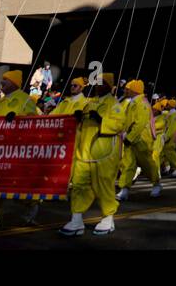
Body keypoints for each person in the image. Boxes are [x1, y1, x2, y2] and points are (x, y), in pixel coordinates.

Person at [61, 74, 127, 235]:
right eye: (97, 83)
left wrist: (101, 120)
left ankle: (108, 217)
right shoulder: (89, 103)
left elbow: (119, 124)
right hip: (84, 151)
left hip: (104, 152)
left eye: (102, 83)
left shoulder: (115, 104)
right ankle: (76, 218)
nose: (98, 85)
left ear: (110, 86)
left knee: (103, 185)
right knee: (79, 184)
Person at [0, 69, 38, 230]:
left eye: (6, 80)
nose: (1, 83)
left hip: (16, 152)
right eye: (2, 80)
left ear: (15, 83)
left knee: (18, 185)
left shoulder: (26, 100)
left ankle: (31, 205)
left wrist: (18, 120)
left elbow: (34, 123)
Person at [116, 79, 163, 200]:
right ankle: (124, 189)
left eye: (128, 88)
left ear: (134, 90)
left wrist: (130, 137)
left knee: (147, 164)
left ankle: (156, 184)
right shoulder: (133, 102)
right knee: (128, 164)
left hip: (141, 139)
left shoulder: (141, 103)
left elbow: (140, 123)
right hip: (131, 139)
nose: (125, 90)